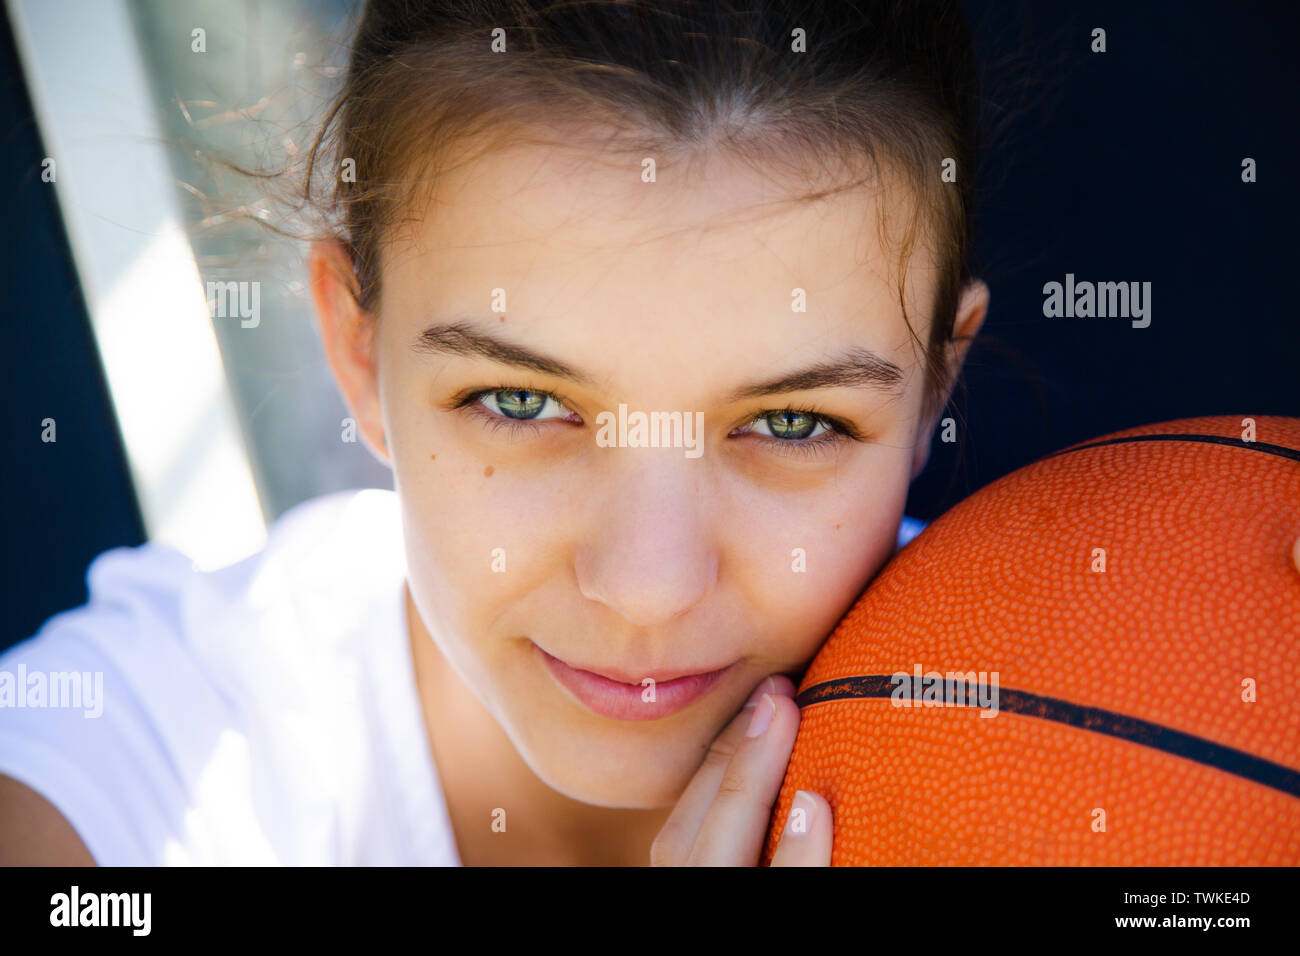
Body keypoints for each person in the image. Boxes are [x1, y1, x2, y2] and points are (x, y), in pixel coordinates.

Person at [3, 0, 992, 866]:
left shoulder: (1087, 755)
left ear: (934, 387)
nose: (646, 586)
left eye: (791, 421)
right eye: (520, 402)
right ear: (358, 347)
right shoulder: (141, 754)